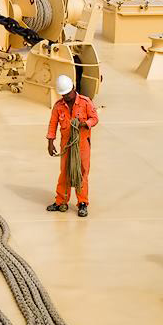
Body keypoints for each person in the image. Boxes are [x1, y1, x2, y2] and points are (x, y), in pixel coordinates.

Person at [46, 73, 99, 217]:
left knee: (82, 173)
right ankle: (61, 201)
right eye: (63, 95)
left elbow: (94, 118)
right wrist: (50, 142)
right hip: (66, 144)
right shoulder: (58, 106)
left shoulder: (85, 102)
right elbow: (53, 124)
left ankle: (82, 203)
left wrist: (85, 124)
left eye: (68, 94)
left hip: (82, 144)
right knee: (64, 172)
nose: (66, 97)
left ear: (73, 89)